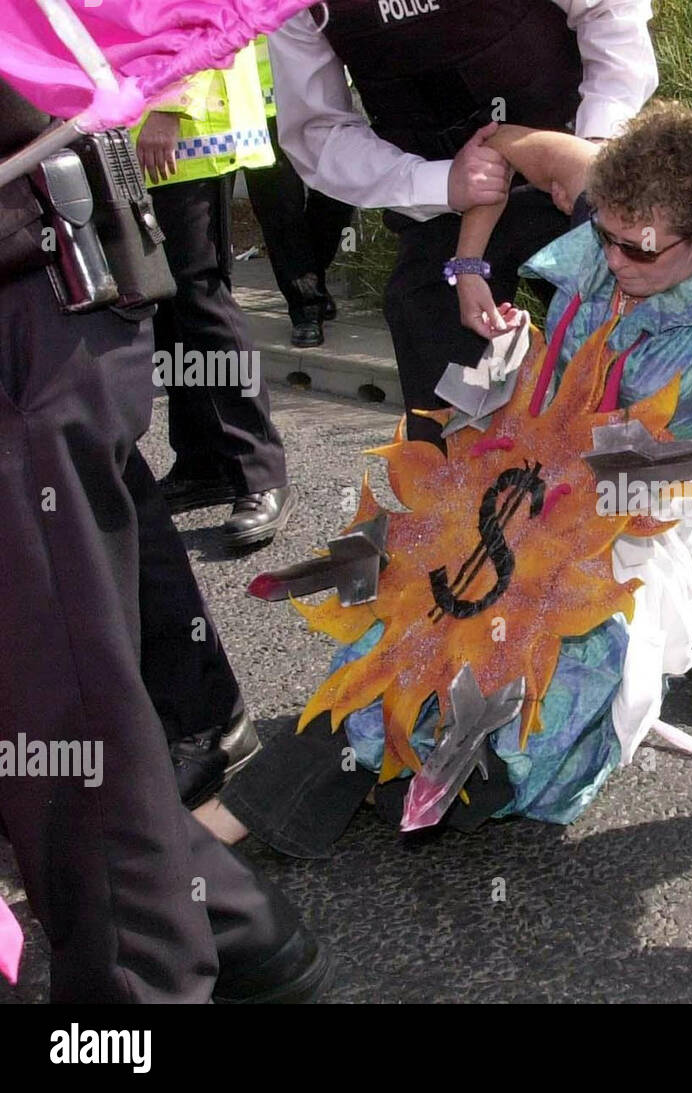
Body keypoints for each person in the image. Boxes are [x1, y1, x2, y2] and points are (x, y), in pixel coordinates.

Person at [195, 103, 692, 856]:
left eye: (638, 249)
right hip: (526, 486)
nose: (612, 259)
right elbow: (500, 144)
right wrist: (471, 264)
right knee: (416, 612)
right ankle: (267, 799)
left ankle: (407, 766)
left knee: (537, 696)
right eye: (603, 236)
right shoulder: (605, 207)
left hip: (638, 522)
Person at [269, 2, 692, 733]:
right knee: (453, 437)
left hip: (578, 181)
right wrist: (435, 182)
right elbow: (316, 131)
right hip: (439, 204)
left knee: (641, 411)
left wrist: (594, 158)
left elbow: (611, 20)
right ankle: (488, 649)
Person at [0, 78, 330, 1002]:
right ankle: (232, 926)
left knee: (50, 704)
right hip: (43, 278)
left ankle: (139, 994)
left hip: (26, 279)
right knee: (53, 691)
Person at [132, 43, 296, 546]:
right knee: (167, 308)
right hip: (139, 135)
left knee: (202, 302)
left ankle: (260, 472)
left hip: (186, 130)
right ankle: (203, 461)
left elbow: (196, 15)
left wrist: (171, 104)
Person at [244, 34, 355, 348]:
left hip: (322, 98)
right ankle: (305, 308)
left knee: (339, 194)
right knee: (280, 209)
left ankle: (312, 283)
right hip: (258, 104)